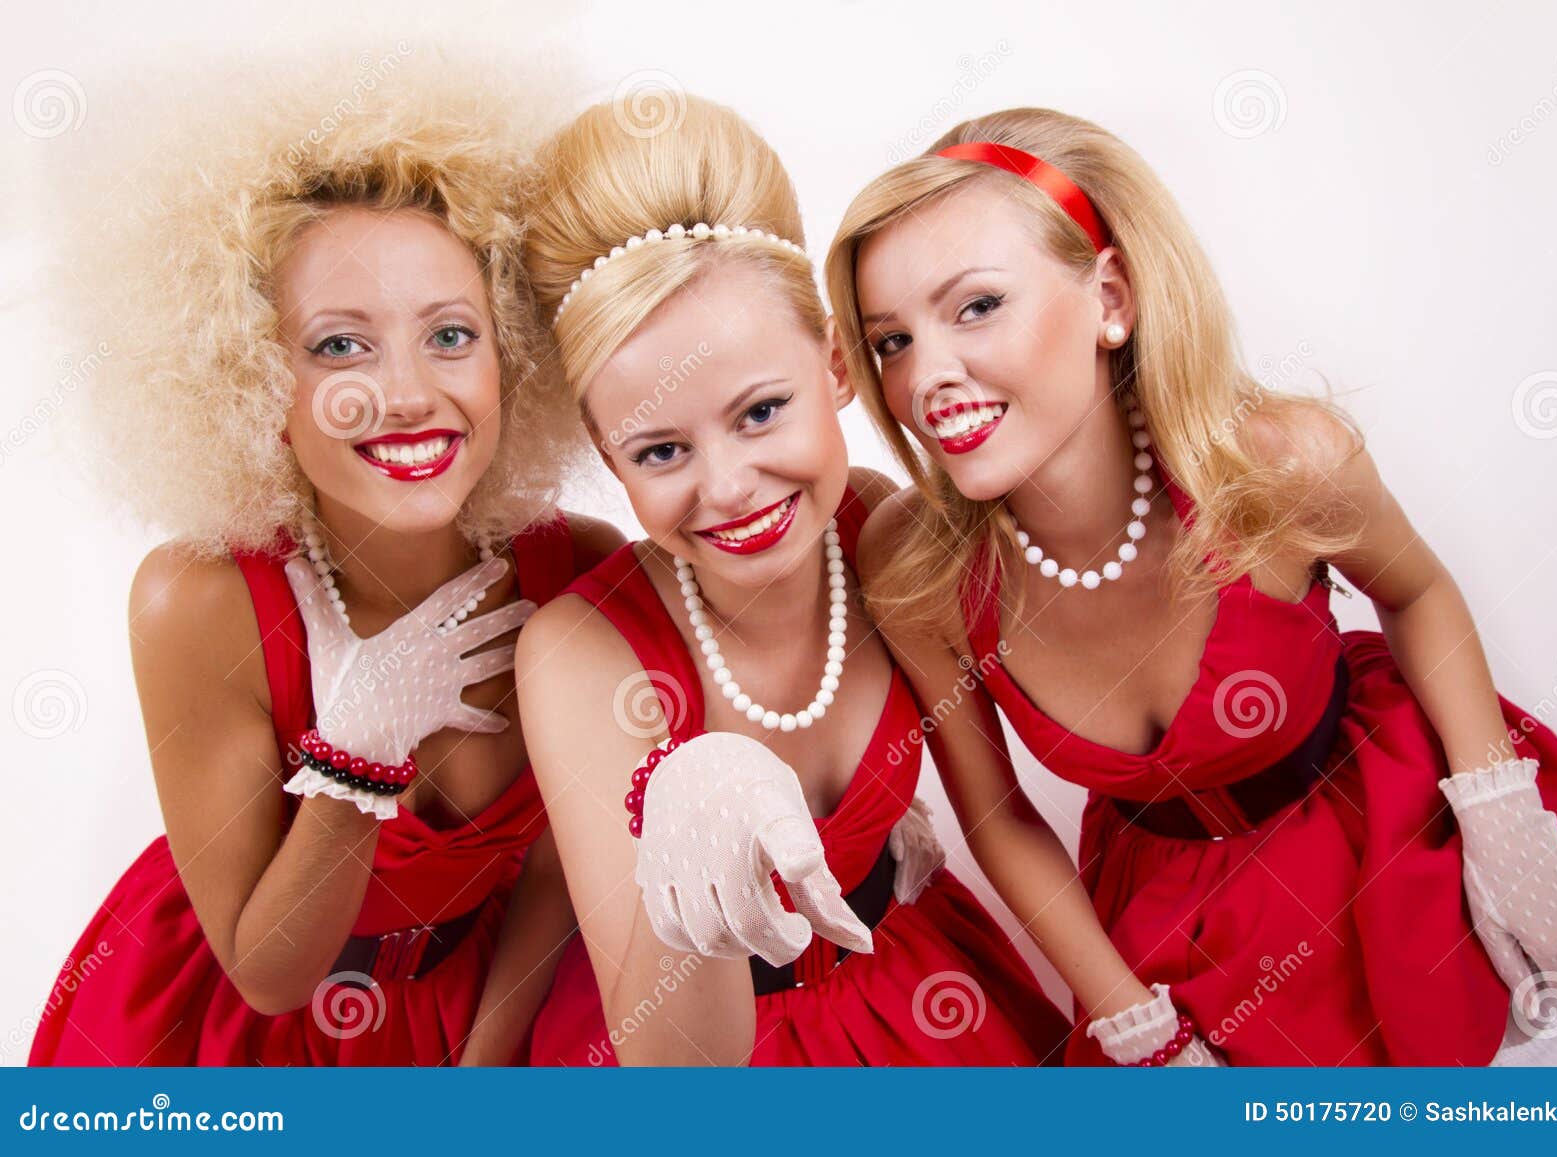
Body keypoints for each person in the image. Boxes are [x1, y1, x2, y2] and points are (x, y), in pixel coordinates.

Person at [820, 109, 1557, 1065]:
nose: (927, 376)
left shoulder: (1279, 465)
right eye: (890, 341)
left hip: (1393, 851)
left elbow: (1417, 592)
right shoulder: (917, 568)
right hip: (1173, 936)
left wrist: (1497, 807)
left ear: (1111, 299)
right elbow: (998, 814)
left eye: (976, 306)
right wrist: (1130, 1021)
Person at [28, 54, 622, 1066]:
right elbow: (268, 971)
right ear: (252, 376)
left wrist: (480, 1074)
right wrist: (359, 750)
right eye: (340, 346)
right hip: (248, 1034)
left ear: (511, 353)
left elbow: (563, 872)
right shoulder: (199, 598)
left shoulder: (580, 569)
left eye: (449, 333)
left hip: (489, 1004)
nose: (405, 394)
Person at [503, 95, 1069, 1065]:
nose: (728, 488)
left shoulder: (881, 534)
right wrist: (690, 805)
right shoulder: (577, 654)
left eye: (762, 410)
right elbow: (677, 1073)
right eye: (660, 449)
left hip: (923, 987)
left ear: (837, 364)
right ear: (605, 452)